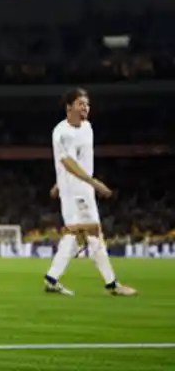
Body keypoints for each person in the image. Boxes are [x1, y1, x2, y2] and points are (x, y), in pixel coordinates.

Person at [44, 88, 137, 297]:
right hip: (76, 192)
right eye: (80, 103)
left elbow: (75, 160)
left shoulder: (87, 127)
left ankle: (51, 278)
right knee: (94, 234)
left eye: (87, 104)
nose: (85, 107)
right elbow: (67, 162)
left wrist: (58, 183)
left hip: (80, 189)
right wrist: (94, 183)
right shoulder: (61, 132)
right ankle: (112, 284)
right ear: (69, 107)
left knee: (75, 235)